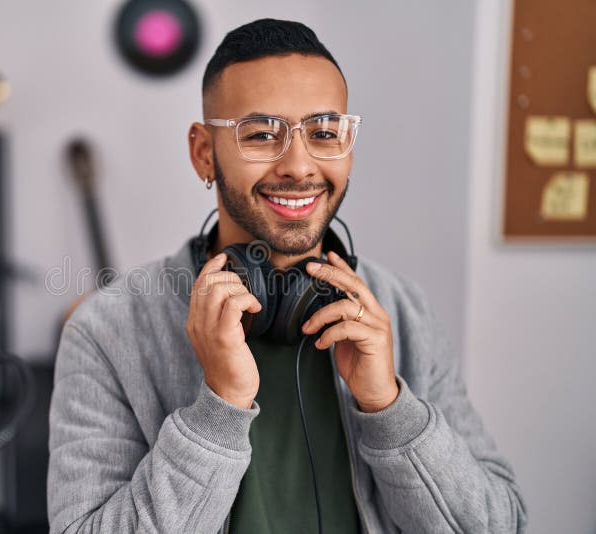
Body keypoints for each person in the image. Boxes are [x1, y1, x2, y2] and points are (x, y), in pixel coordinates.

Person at [47, 18, 527, 534]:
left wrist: (389, 408)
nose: (299, 166)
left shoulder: (402, 311)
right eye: (260, 135)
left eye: (324, 133)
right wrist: (218, 410)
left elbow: (501, 524)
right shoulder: (107, 331)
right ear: (204, 152)